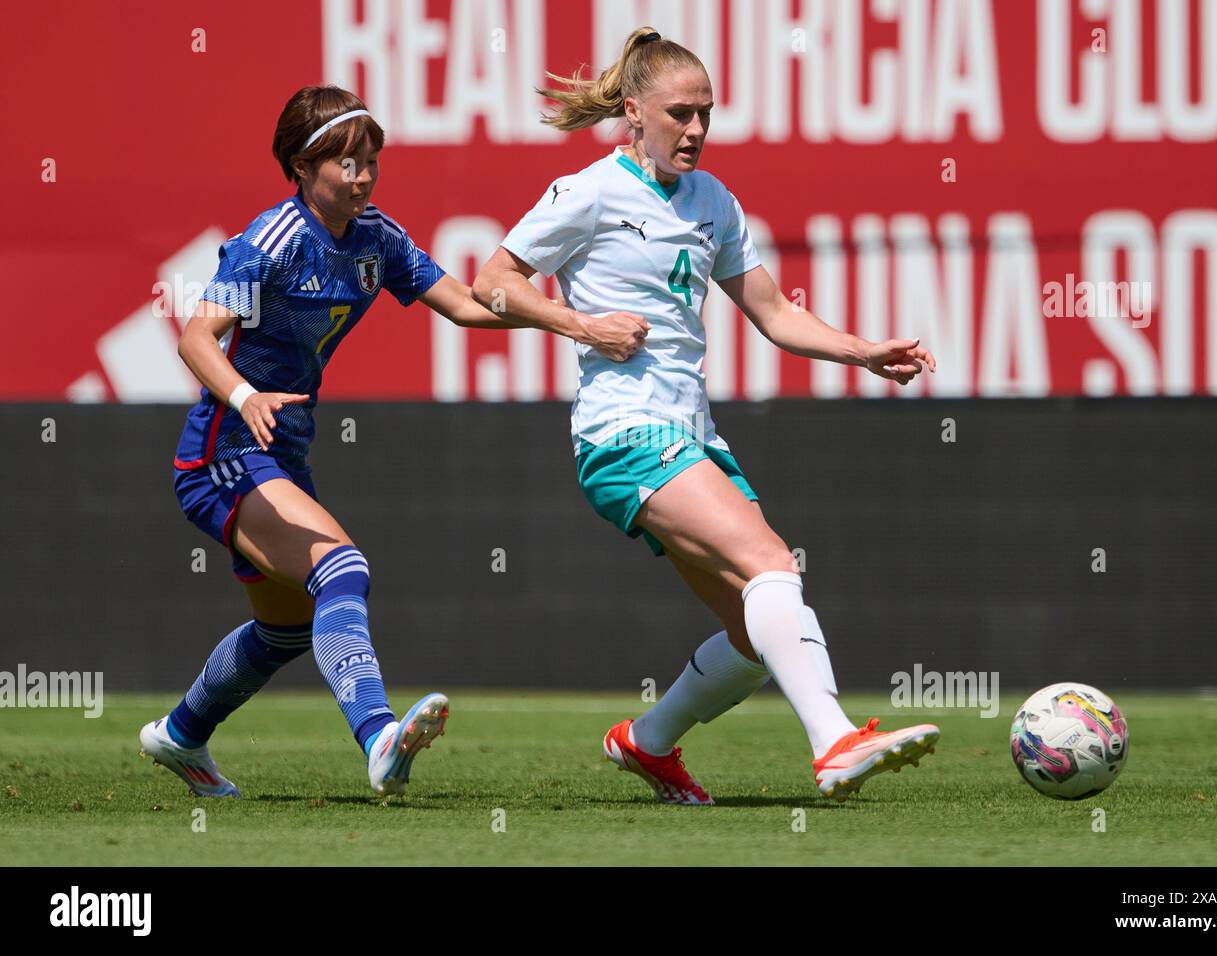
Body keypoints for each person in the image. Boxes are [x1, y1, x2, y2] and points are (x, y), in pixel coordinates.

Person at [473, 28, 941, 804]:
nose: (694, 130)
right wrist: (581, 324)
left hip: (690, 434)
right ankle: (834, 743)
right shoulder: (588, 191)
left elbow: (773, 311)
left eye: (706, 114)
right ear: (634, 113)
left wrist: (861, 352)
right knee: (771, 565)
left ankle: (647, 743)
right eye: (679, 114)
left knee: (756, 637)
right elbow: (494, 281)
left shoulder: (713, 200)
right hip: (623, 433)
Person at [142, 85, 523, 798]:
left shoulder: (376, 238)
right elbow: (197, 337)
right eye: (345, 162)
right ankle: (379, 737)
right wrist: (247, 395)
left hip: (280, 458)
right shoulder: (273, 242)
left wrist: (565, 320)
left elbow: (469, 306)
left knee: (285, 630)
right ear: (299, 166)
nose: (363, 176)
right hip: (220, 455)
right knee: (342, 569)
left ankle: (181, 734)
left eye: (370, 160)